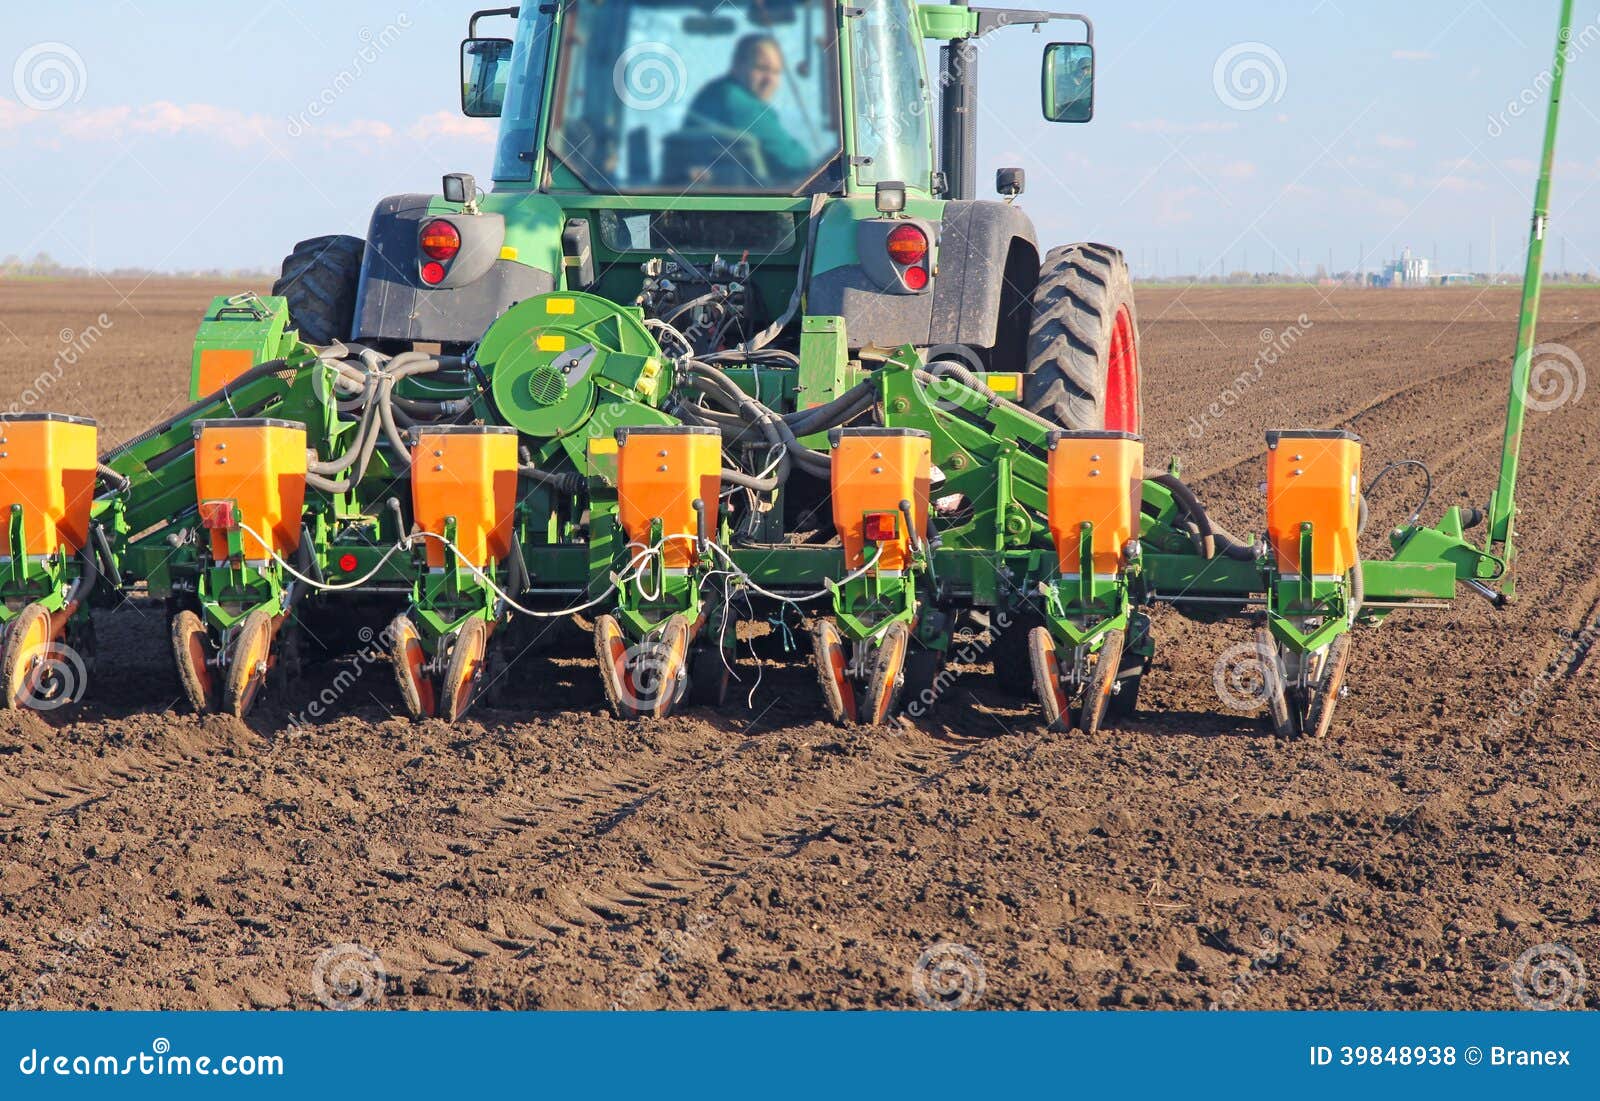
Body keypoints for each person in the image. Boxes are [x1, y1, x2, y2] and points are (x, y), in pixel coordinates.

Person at [684, 35, 813, 183]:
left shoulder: (714, 92)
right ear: (737, 65)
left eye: (776, 72)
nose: (770, 80)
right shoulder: (738, 103)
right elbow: (790, 161)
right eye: (762, 68)